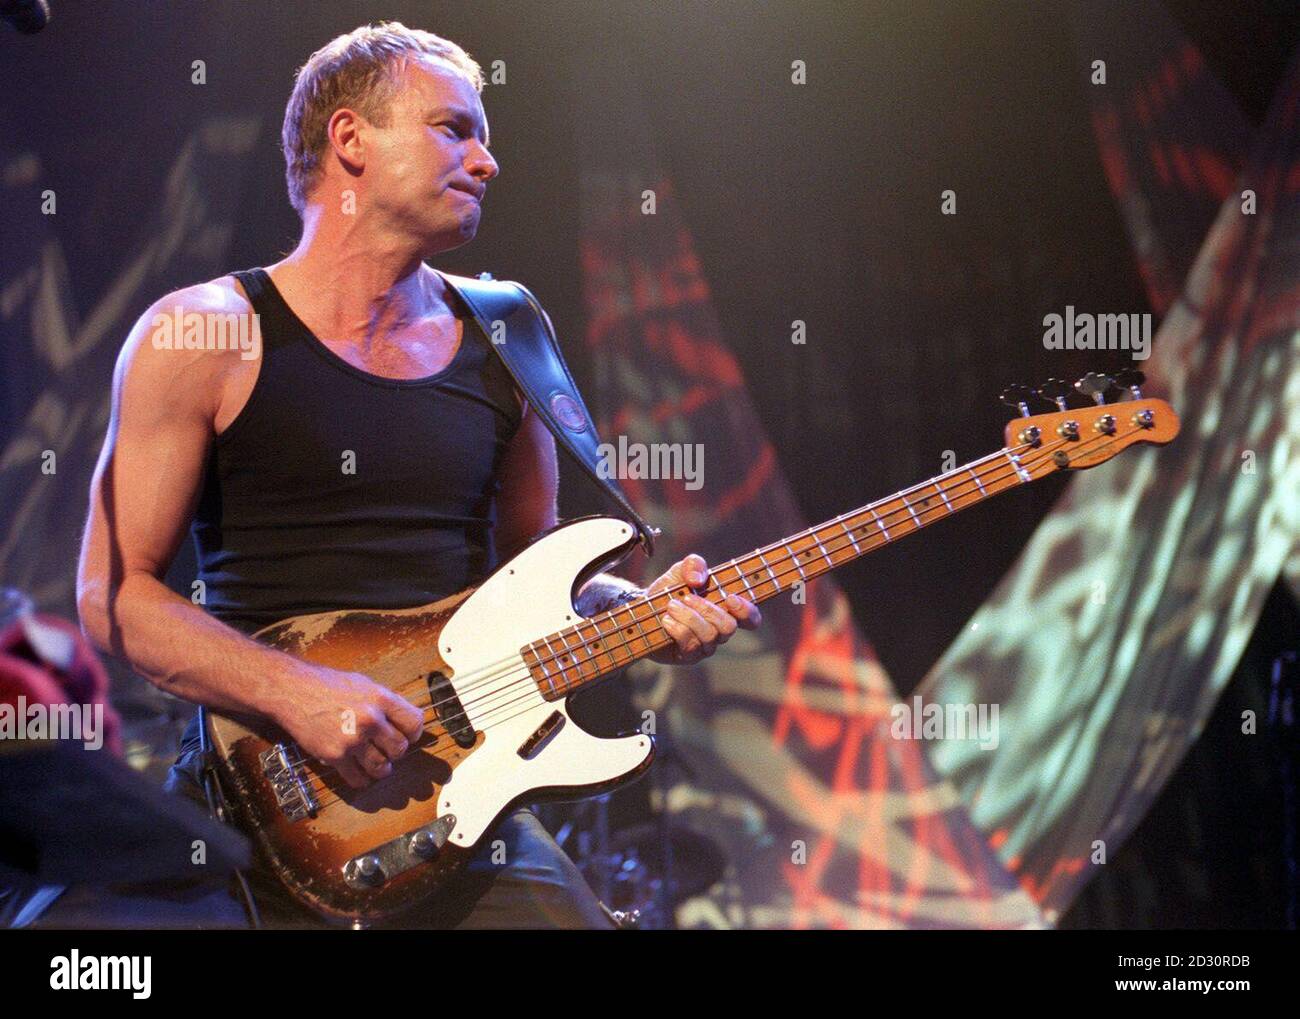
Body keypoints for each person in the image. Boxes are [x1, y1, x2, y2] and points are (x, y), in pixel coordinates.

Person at [72, 22, 761, 929]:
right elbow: (114, 597)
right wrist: (298, 693)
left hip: (459, 802)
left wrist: (639, 620)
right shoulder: (202, 332)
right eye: (454, 129)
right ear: (350, 140)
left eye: (484, 136)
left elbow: (534, 579)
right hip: (256, 798)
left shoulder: (508, 333)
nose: (487, 161)